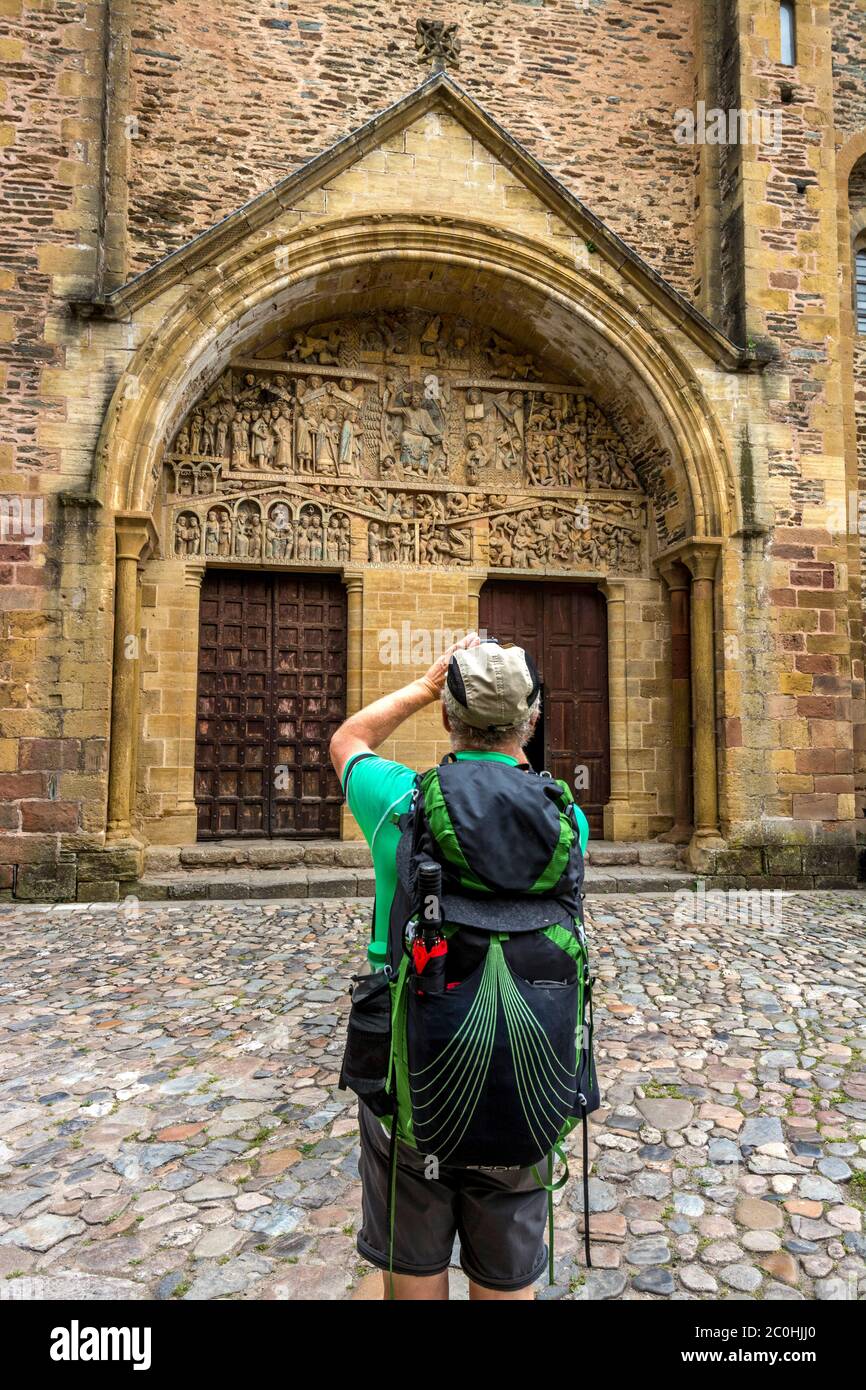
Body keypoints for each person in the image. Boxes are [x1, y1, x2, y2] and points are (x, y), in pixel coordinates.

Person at [330, 635, 590, 1301]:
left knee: (410, 1270)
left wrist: (423, 687)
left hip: (411, 1072)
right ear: (532, 722)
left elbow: (348, 739)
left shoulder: (399, 801)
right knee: (507, 1278)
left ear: (448, 717)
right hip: (527, 1077)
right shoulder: (569, 820)